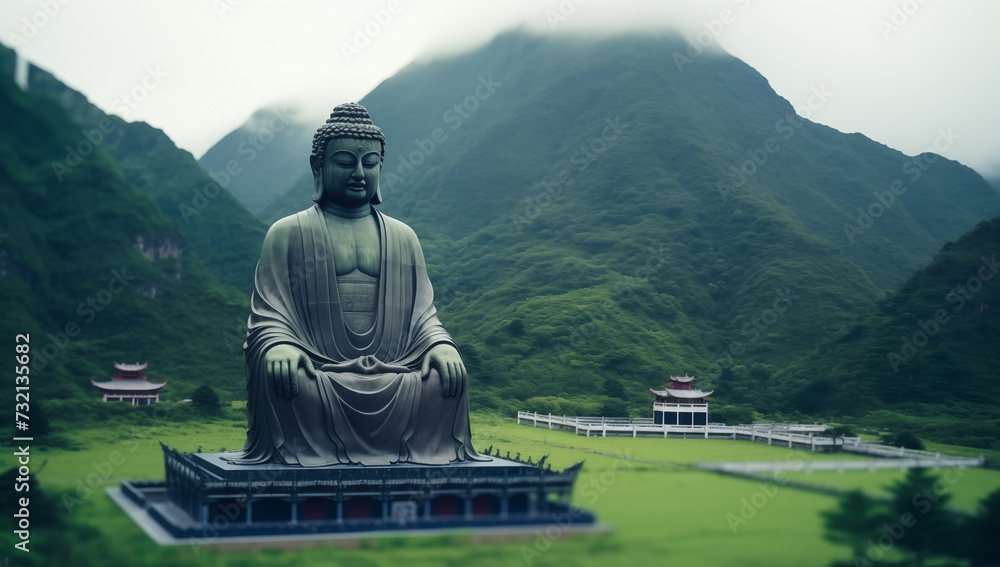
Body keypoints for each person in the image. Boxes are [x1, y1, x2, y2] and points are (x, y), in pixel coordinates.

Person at [225, 103, 485, 466]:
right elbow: (268, 315)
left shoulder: (404, 237)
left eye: (371, 162)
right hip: (319, 370)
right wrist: (280, 345)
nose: (360, 173)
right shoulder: (287, 233)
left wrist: (440, 345)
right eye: (346, 162)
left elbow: (423, 314)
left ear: (381, 166)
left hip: (396, 370)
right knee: (289, 383)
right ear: (319, 166)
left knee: (445, 383)